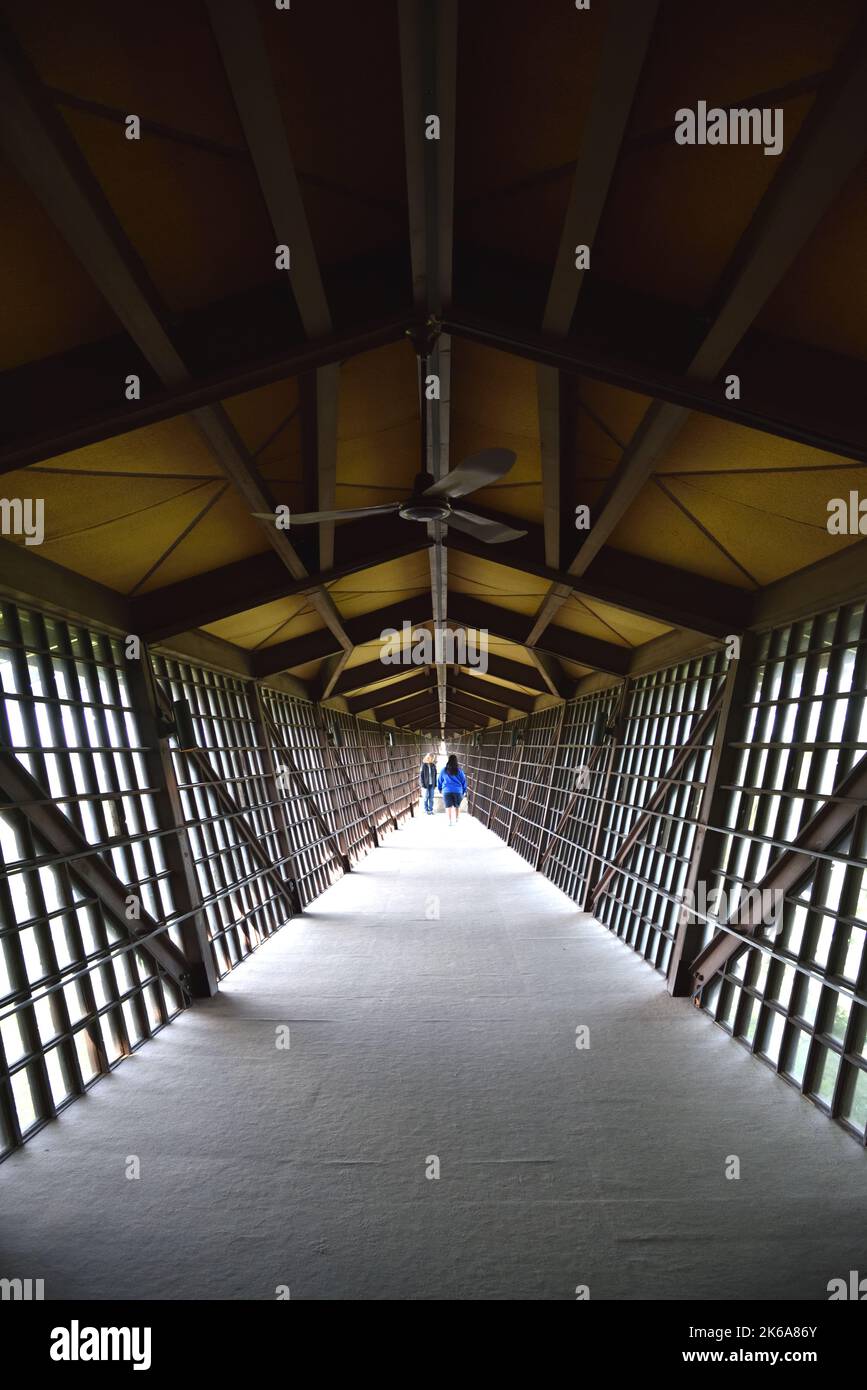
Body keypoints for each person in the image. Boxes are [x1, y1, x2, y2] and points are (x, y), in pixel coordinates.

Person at [437, 753, 467, 826]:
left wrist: (440, 788)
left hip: (446, 791)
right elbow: (463, 781)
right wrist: (464, 791)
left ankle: (449, 821)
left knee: (448, 807)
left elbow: (440, 780)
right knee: (457, 806)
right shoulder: (459, 771)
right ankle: (456, 819)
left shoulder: (444, 770)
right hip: (458, 791)